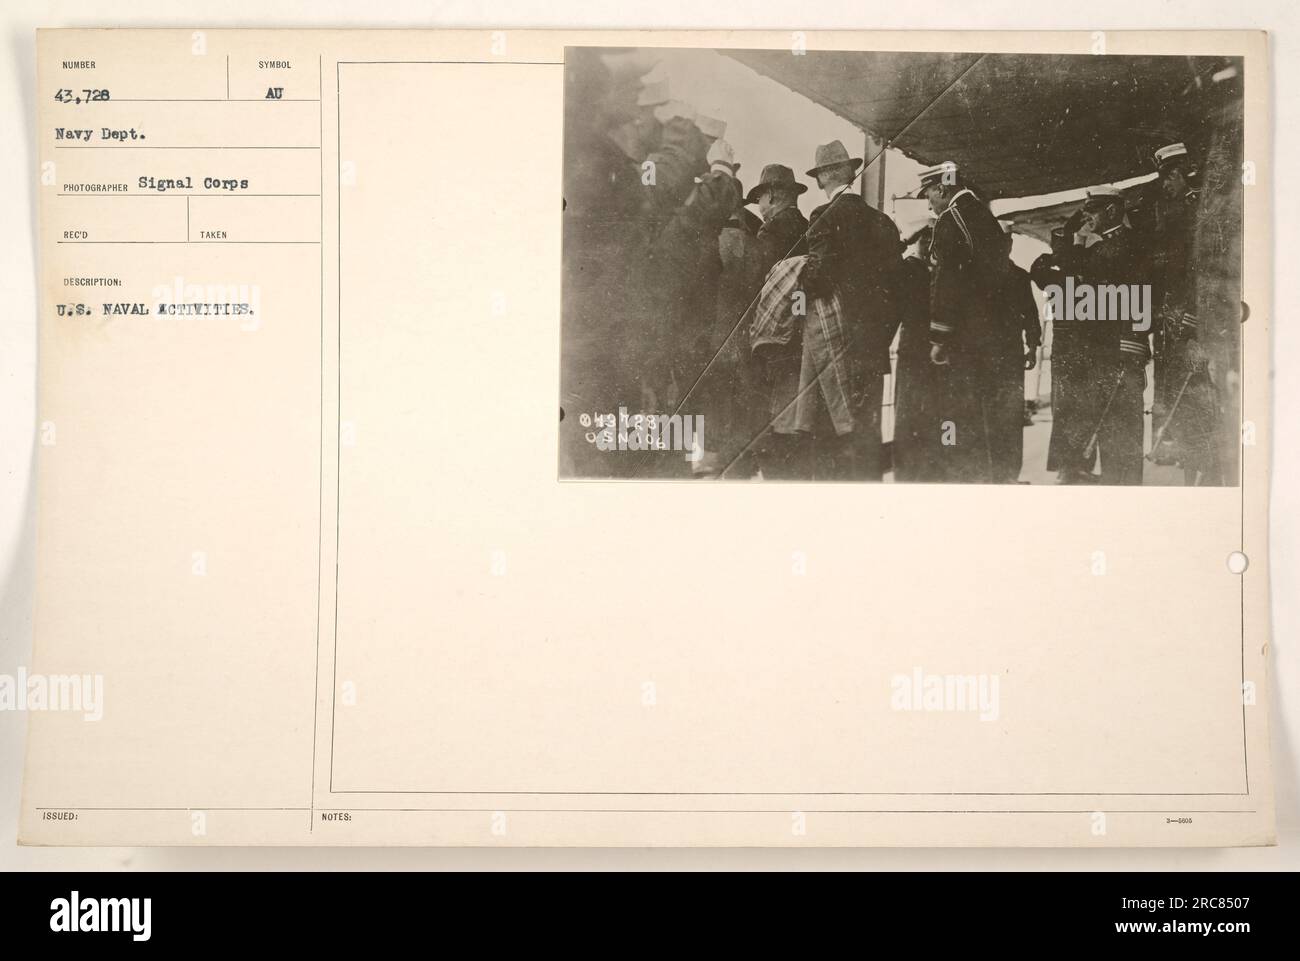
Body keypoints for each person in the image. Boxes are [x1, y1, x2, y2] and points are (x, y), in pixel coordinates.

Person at [777, 139, 901, 481]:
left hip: (835, 347)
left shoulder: (824, 217)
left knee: (833, 437)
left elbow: (818, 277)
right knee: (866, 435)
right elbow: (897, 289)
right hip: (873, 348)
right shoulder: (882, 223)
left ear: (822, 178)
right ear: (850, 171)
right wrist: (880, 335)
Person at [1030, 187, 1151, 485]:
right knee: (1104, 423)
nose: (1086, 216)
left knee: (1120, 430)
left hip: (1119, 350)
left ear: (1112, 211)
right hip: (1098, 351)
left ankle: (1123, 489)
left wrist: (1131, 341)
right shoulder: (1098, 249)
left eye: (1093, 210)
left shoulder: (1131, 245)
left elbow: (1140, 296)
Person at [920, 162, 1014, 483]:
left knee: (958, 411)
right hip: (995, 333)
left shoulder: (950, 222)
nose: (929, 202)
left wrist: (939, 337)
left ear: (942, 189)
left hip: (965, 336)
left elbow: (947, 284)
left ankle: (963, 479)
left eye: (929, 194)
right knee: (987, 410)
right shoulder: (984, 217)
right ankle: (988, 478)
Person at [1149, 141, 1221, 485]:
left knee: (1197, 396)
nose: (1164, 186)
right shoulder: (1174, 212)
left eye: (1167, 179)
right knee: (1184, 395)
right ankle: (1194, 464)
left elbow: (1202, 269)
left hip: (1191, 321)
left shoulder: (1194, 211)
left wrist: (1194, 314)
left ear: (1179, 174)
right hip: (1174, 321)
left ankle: (1207, 470)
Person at [741, 164, 810, 479]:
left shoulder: (770, 231)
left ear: (772, 194)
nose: (759, 207)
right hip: (800, 334)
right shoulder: (808, 227)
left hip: (773, 339)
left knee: (768, 416)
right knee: (794, 413)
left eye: (760, 198)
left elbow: (755, 283)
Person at [891, 225, 947, 482]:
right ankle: (906, 472)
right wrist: (904, 240)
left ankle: (929, 470)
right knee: (909, 412)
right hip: (913, 348)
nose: (929, 245)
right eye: (925, 239)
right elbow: (884, 265)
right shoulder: (907, 269)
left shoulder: (939, 271)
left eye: (933, 240)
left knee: (933, 410)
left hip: (934, 348)